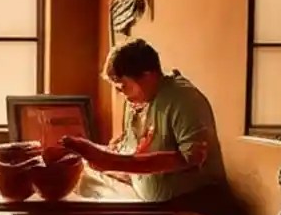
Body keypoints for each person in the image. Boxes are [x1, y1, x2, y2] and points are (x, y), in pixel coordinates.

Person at [60, 39, 225, 203]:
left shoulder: (183, 99)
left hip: (191, 207)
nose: (123, 94)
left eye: (123, 86)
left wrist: (110, 161)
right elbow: (131, 152)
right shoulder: (137, 103)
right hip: (148, 202)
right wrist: (90, 153)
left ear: (147, 75)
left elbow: (193, 158)